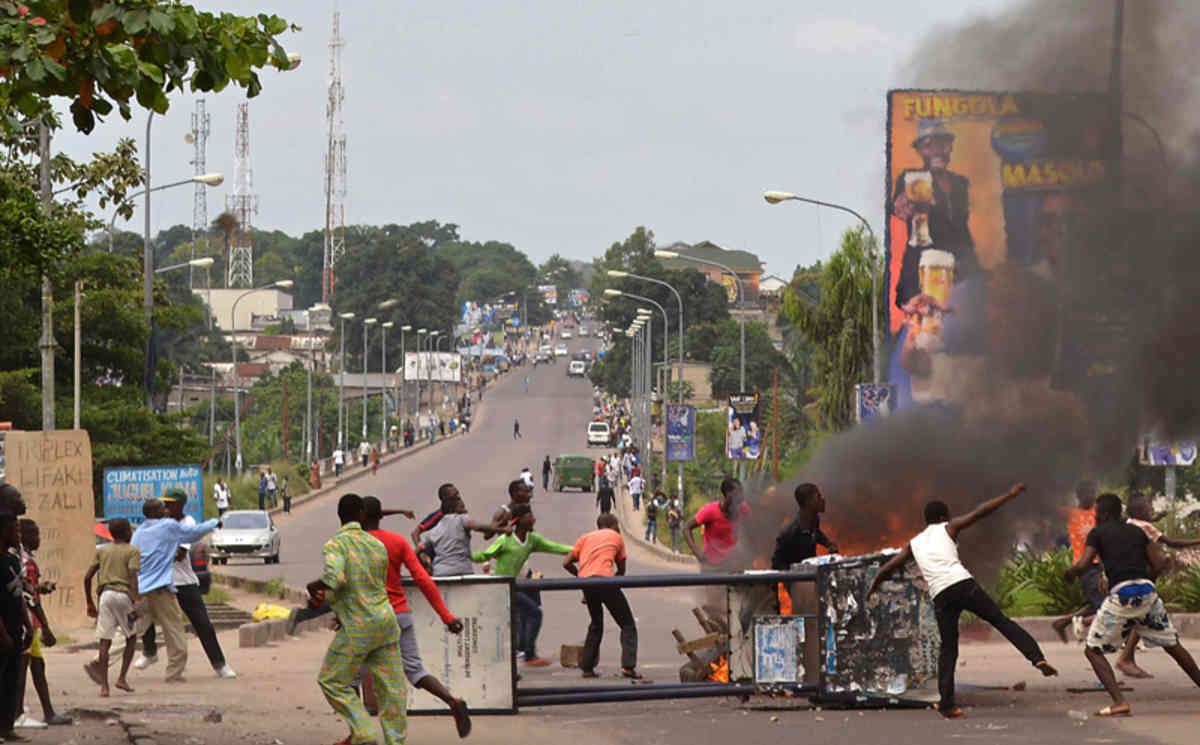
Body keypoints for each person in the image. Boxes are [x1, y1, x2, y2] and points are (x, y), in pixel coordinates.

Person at [866, 484, 1057, 719]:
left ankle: (947, 705)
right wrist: (1010, 495)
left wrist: (873, 585)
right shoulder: (948, 527)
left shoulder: (914, 543)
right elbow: (980, 512)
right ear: (943, 517)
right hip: (962, 585)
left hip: (941, 595)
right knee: (1000, 620)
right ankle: (1037, 658)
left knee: (948, 649)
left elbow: (888, 567)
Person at [1064, 492, 1200, 717]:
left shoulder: (1097, 533)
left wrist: (1071, 573)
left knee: (1092, 651)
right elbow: (1159, 562)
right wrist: (1144, 581)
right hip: (1147, 593)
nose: (1094, 517)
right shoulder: (1137, 531)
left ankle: (1119, 702)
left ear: (1104, 514)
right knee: (1172, 645)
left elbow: (1084, 564)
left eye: (1096, 513)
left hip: (1122, 595)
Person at [360, 497, 471, 737]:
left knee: (354, 670)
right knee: (415, 671)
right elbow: (423, 580)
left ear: (359, 516)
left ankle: (363, 726)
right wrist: (446, 616)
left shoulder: (355, 545)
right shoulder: (397, 542)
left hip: (370, 618)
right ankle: (452, 701)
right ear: (380, 516)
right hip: (400, 615)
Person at [308, 493, 407, 745]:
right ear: (361, 515)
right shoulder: (377, 545)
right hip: (386, 622)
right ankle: (396, 741)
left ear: (340, 516)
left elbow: (335, 578)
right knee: (392, 689)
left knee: (331, 680)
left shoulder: (335, 545)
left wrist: (314, 586)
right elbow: (372, 584)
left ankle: (363, 731)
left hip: (358, 626)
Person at [133, 495, 237, 679]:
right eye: (163, 506)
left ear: (179, 505)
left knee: (202, 624)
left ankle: (219, 664)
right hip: (161, 584)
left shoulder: (183, 522)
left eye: (169, 504)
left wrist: (159, 553)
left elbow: (182, 551)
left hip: (183, 582)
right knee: (145, 619)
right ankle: (150, 652)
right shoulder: (153, 528)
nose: (166, 508)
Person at [890, 118, 979, 310]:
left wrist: (973, 270)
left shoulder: (960, 183)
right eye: (928, 145)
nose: (936, 151)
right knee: (925, 324)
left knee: (964, 320)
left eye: (942, 144)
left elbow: (961, 228)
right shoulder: (912, 179)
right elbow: (898, 203)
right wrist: (901, 203)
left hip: (960, 269)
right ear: (920, 151)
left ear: (950, 147)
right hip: (924, 270)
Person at [1110, 493, 1200, 681]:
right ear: (1140, 511)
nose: (1150, 511)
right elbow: (1172, 543)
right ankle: (1125, 658)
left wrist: (1155, 518)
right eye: (1147, 509)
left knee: (1140, 616)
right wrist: (1197, 541)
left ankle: (1126, 657)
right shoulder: (1145, 527)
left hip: (1127, 578)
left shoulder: (1129, 523)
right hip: (1142, 579)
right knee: (1156, 627)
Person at [472, 504, 571, 667]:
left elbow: (555, 547)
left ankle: (521, 652)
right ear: (519, 520)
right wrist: (465, 555)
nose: (534, 519)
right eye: (530, 516)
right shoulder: (505, 540)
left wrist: (579, 549)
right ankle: (528, 655)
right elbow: (484, 555)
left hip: (515, 586)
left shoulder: (532, 540)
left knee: (520, 617)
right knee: (534, 613)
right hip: (501, 586)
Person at [564, 514, 640, 679]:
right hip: (605, 580)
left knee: (596, 624)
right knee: (627, 624)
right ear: (612, 525)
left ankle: (587, 668)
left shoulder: (585, 538)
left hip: (587, 584)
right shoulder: (616, 537)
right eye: (617, 525)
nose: (618, 529)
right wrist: (615, 580)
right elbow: (622, 569)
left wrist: (580, 577)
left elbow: (566, 563)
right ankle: (628, 667)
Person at [13, 520, 69, 728]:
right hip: (25, 622)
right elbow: (29, 598)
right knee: (22, 667)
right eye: (36, 534)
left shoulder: (22, 558)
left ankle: (48, 712)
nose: (39, 539)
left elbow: (29, 589)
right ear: (25, 536)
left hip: (28, 622)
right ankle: (17, 714)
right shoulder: (25, 561)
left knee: (36, 666)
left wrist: (39, 587)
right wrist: (45, 626)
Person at [82, 518, 140, 697]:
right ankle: (122, 678)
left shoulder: (103, 551)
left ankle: (104, 686)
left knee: (105, 641)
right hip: (123, 596)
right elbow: (132, 577)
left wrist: (89, 602)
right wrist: (136, 601)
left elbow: (87, 577)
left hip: (105, 596)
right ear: (128, 533)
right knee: (131, 637)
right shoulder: (132, 551)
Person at [1051, 481, 1104, 643]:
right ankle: (1096, 637)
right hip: (1084, 566)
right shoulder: (1070, 513)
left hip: (1100, 565)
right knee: (1102, 604)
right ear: (1079, 496)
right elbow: (1049, 507)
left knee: (1094, 604)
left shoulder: (1099, 513)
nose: (1092, 497)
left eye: (1094, 493)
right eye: (1089, 494)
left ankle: (1062, 623)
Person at [1, 510, 34, 742]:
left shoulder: (12, 561)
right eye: (16, 530)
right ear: (4, 531)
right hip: (2, 631)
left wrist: (28, 625)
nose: (19, 535)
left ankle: (6, 727)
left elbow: (19, 596)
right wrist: (2, 634)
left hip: (15, 630)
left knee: (11, 680)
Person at [419, 496, 506, 577]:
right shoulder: (461, 519)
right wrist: (501, 529)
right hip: (463, 571)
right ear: (452, 509)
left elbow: (419, 551)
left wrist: (427, 567)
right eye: (462, 508)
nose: (466, 511)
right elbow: (477, 527)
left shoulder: (433, 531)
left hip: (440, 573)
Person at [683, 478, 751, 570]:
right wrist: (697, 553)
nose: (741, 499)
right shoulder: (710, 511)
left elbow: (751, 530)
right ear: (727, 494)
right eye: (737, 495)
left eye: (741, 495)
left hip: (733, 564)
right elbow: (687, 528)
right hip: (711, 565)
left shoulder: (744, 509)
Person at [771, 483, 838, 570]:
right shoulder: (789, 533)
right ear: (808, 502)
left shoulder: (814, 519)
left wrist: (828, 544)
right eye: (818, 497)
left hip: (811, 572)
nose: (823, 499)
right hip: (797, 575)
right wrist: (794, 573)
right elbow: (776, 563)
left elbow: (816, 533)